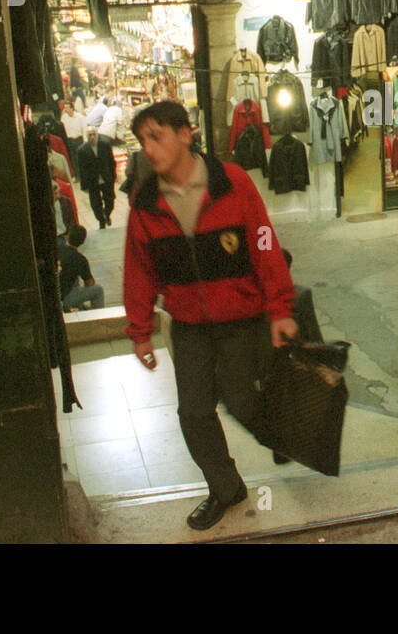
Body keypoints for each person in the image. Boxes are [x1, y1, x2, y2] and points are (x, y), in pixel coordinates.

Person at [123, 100, 298, 532]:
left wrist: (279, 309)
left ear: (186, 134)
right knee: (194, 412)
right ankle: (225, 488)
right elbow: (139, 270)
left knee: (240, 399)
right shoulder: (145, 202)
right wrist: (140, 331)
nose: (148, 148)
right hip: (188, 325)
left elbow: (263, 243)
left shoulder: (231, 182)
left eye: (156, 136)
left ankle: (276, 431)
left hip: (240, 316)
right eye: (142, 140)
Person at [76, 127, 118, 228]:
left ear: (97, 134)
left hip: (106, 179)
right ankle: (101, 221)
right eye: (90, 135)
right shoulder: (82, 150)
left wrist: (113, 176)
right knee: (95, 204)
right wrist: (84, 185)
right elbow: (81, 169)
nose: (92, 137)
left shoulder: (105, 145)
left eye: (94, 134)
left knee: (110, 200)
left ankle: (107, 214)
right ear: (86, 136)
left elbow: (111, 162)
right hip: (92, 181)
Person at [58, 224, 104, 311]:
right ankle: (98, 318)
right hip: (64, 298)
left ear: (67, 237)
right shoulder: (80, 259)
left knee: (73, 279)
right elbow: (89, 283)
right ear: (83, 242)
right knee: (98, 290)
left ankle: (80, 307)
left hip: (52, 293)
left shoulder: (57, 248)